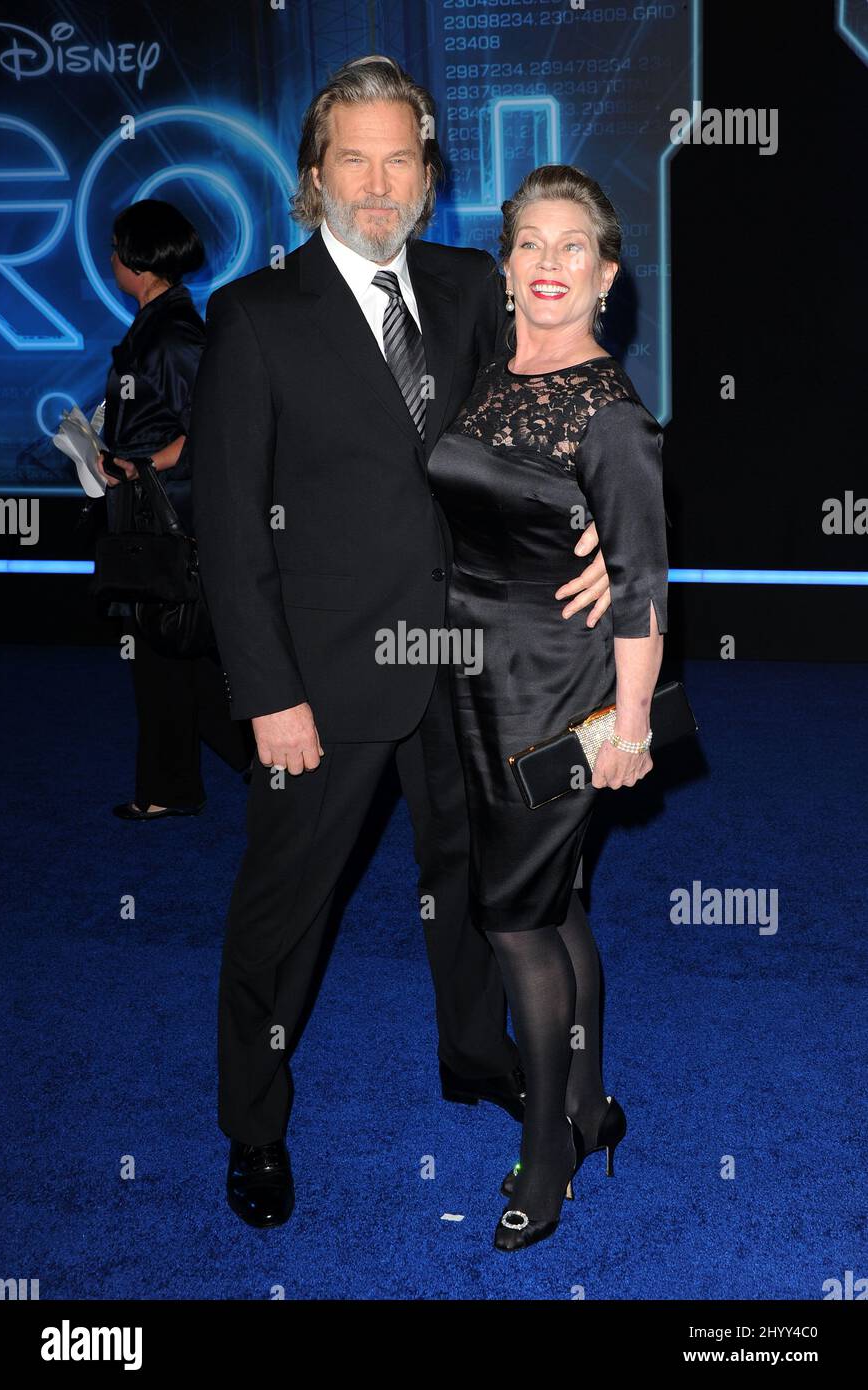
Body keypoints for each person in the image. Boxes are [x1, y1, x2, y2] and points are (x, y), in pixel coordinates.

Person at [190, 57, 613, 1229]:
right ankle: (254, 1124)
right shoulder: (255, 317)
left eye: (400, 161)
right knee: (285, 910)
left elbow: (549, 420)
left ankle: (477, 1055)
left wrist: (602, 531)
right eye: (352, 161)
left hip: (471, 666)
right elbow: (228, 529)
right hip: (322, 684)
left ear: (430, 177)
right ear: (313, 177)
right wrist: (268, 693)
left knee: (477, 883)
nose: (377, 186)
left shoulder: (474, 285)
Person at [427, 164, 669, 1251]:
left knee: (512, 919)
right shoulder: (491, 369)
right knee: (554, 900)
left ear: (608, 276)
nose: (551, 264)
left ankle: (548, 1153)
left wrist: (630, 725)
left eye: (575, 247)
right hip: (476, 675)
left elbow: (646, 581)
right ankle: (590, 1103)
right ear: (507, 265)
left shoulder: (610, 413)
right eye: (531, 243)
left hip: (556, 688)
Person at [98, 199, 254, 820]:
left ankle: (195, 782)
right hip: (154, 516)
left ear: (138, 260)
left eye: (117, 247)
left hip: (171, 522)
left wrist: (139, 465)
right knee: (170, 654)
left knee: (168, 651)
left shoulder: (173, 335)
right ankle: (202, 779)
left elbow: (208, 430)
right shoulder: (159, 327)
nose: (109, 258)